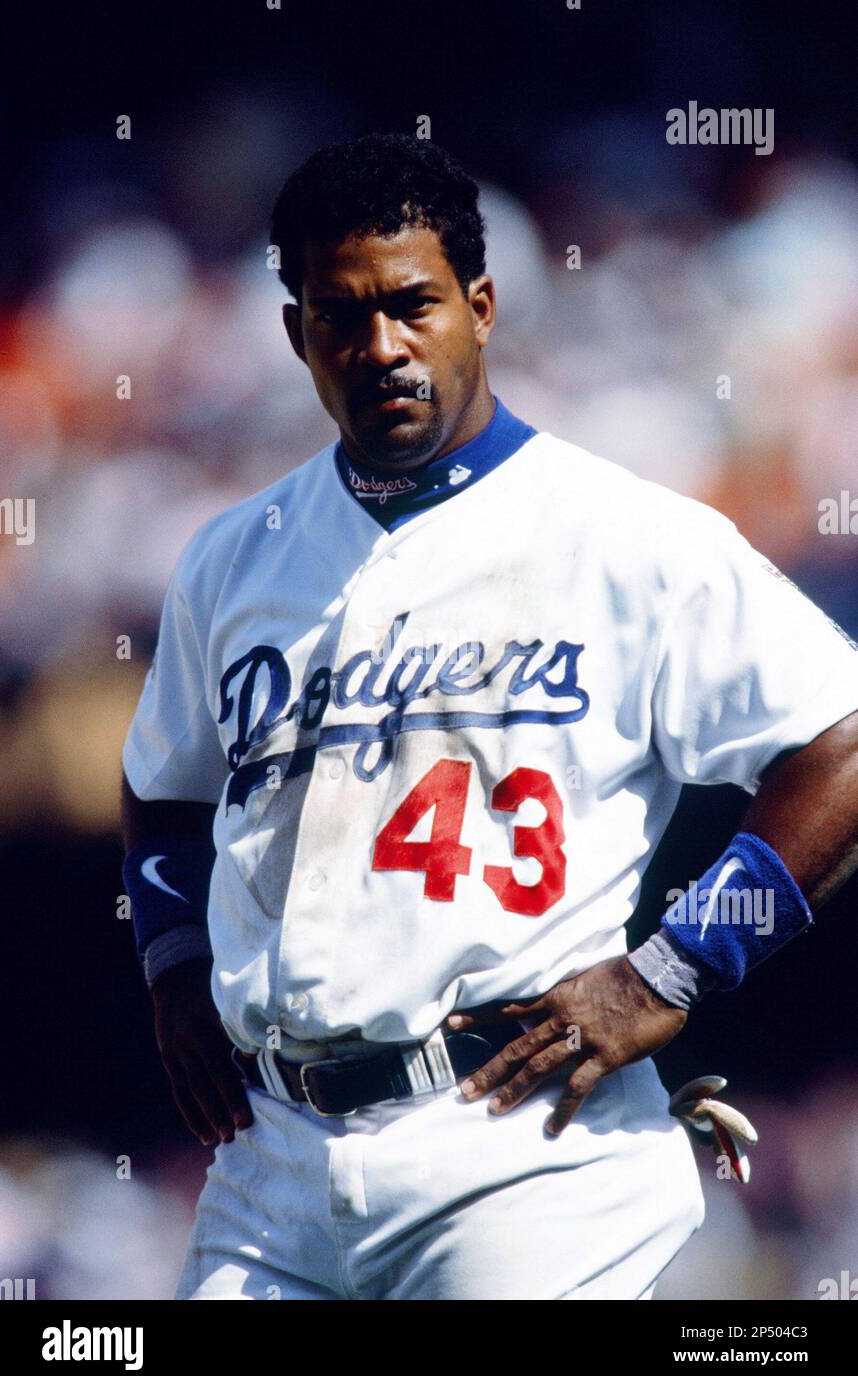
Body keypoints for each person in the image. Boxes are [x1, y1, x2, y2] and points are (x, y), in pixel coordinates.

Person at [121, 132, 858, 1300]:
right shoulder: (231, 556)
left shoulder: (624, 536)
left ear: (480, 304)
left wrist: (672, 967)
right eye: (337, 314)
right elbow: (162, 787)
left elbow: (841, 746)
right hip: (270, 1156)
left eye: (412, 305)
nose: (379, 347)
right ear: (293, 331)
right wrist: (172, 970)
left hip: (515, 1152)